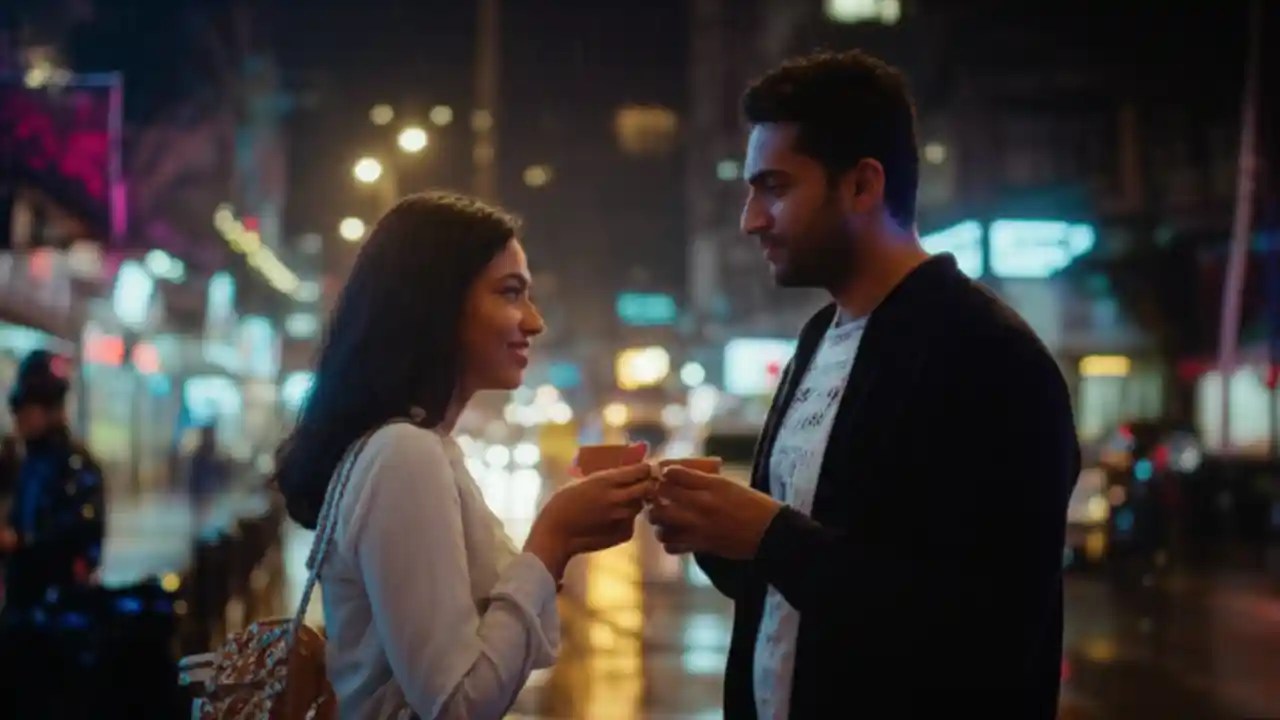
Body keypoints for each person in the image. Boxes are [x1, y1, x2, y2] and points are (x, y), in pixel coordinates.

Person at [648, 50, 1080, 717]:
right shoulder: (819, 339)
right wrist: (712, 528)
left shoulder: (990, 358)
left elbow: (988, 629)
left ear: (862, 185)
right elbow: (800, 592)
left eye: (775, 188)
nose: (751, 219)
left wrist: (770, 535)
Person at [273, 192, 653, 720]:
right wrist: (553, 536)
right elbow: (459, 704)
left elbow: (528, 646)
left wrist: (565, 543)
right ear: (439, 304)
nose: (535, 322)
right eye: (510, 293)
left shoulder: (430, 447)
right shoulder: (404, 455)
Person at [0, 349, 107, 717]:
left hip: (57, 628)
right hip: (23, 617)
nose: (16, 419)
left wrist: (21, 542)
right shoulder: (28, 461)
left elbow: (78, 537)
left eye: (23, 408)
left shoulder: (72, 465)